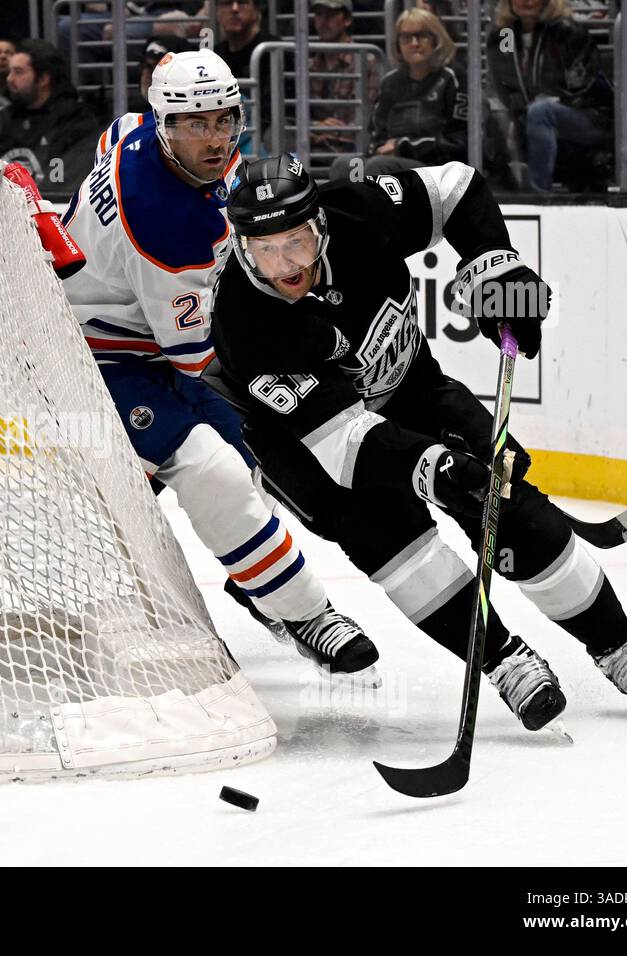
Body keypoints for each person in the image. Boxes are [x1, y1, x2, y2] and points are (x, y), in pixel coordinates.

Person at [205, 153, 627, 729]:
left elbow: (457, 187)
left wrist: (494, 265)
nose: (285, 265)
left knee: (509, 504)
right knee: (393, 541)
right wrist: (435, 466)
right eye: (266, 250)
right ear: (242, 245)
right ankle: (503, 661)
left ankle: (616, 645)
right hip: (305, 443)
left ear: (320, 226)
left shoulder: (361, 211)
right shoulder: (244, 319)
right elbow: (345, 446)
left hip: (412, 388)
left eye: (297, 243)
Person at [61, 50, 379, 678]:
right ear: (166, 124)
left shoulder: (135, 130)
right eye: (197, 124)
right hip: (95, 355)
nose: (216, 138)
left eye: (224, 119)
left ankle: (260, 586)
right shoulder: (162, 225)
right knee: (213, 470)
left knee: (256, 458)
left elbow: (112, 137)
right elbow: (195, 359)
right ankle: (306, 612)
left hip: (138, 336)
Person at [484, 0, 612, 192]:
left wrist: (557, 98)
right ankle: (499, 191)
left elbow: (584, 83)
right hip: (532, 115)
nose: (527, 1)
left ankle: (539, 191)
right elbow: (504, 87)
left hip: (589, 116)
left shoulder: (567, 31)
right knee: (492, 114)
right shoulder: (503, 36)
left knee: (541, 111)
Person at [330, 6, 466, 178]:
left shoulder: (453, 78)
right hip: (392, 161)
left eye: (422, 35)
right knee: (344, 165)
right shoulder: (390, 82)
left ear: (436, 39)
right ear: (398, 43)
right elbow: (376, 133)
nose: (414, 43)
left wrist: (402, 147)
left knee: (379, 167)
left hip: (440, 167)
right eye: (406, 37)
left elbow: (459, 142)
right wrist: (380, 148)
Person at [0, 40, 101, 193]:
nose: (9, 79)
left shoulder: (75, 120)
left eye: (18, 72)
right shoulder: (6, 117)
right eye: (10, 71)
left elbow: (69, 182)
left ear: (44, 78)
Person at [308, 0, 382, 157]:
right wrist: (316, 127)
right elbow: (296, 115)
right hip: (312, 145)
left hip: (349, 148)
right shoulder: (309, 65)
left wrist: (325, 132)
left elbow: (368, 118)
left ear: (347, 20)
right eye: (319, 14)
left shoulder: (366, 61)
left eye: (331, 14)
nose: (324, 21)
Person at [216, 0, 275, 79]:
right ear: (218, 12)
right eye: (227, 3)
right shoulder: (214, 56)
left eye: (242, 2)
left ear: (256, 10)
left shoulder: (274, 51)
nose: (234, 8)